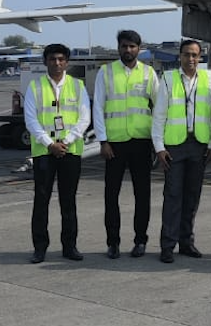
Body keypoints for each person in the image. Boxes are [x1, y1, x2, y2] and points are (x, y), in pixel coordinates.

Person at [93, 29, 159, 259]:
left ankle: (140, 241)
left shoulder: (149, 73)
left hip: (141, 142)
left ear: (139, 48)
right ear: (118, 48)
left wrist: (157, 143)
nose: (128, 50)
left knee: (143, 195)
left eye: (132, 46)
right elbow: (98, 108)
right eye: (124, 46)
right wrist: (103, 140)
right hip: (115, 143)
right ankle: (113, 242)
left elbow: (159, 108)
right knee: (111, 195)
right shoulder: (106, 72)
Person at [24, 43, 91, 264]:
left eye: (61, 59)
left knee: (68, 200)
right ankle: (40, 247)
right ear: (45, 61)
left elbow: (84, 118)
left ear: (67, 62)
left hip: (70, 151)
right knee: (41, 200)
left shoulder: (78, 86)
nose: (57, 63)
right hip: (44, 151)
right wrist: (49, 143)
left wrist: (67, 141)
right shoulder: (35, 87)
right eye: (52, 59)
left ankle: (69, 246)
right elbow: (31, 120)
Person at [151, 39, 211, 264]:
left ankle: (186, 242)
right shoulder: (168, 79)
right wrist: (159, 147)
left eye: (195, 55)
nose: (191, 59)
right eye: (187, 55)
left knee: (192, 197)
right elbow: (159, 115)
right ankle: (167, 245)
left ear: (200, 57)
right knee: (172, 196)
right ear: (179, 56)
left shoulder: (209, 79)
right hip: (175, 146)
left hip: (199, 145)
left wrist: (210, 144)